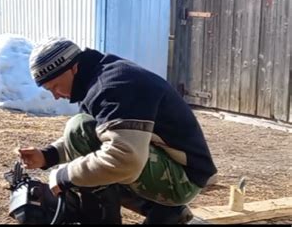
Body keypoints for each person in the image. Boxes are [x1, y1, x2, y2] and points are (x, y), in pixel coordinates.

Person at [18, 37, 217, 224]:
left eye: (55, 86)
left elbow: (125, 160)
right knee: (80, 129)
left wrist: (64, 175)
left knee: (92, 146)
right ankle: (164, 212)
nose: (56, 96)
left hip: (184, 178)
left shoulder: (114, 85)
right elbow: (95, 134)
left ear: (73, 68)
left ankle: (163, 208)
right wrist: (47, 155)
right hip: (165, 163)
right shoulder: (96, 79)